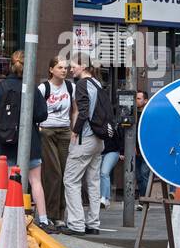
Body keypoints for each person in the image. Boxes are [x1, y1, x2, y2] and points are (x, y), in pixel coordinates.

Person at [0, 50, 52, 230]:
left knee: (8, 182)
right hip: (30, 141)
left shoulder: (0, 86)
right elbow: (42, 114)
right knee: (35, 181)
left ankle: (4, 218)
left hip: (7, 140)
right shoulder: (30, 87)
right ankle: (44, 219)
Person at [63, 53, 105, 235]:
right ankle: (93, 224)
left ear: (84, 66)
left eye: (74, 66)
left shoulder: (81, 85)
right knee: (93, 182)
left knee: (71, 180)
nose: (71, 69)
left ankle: (76, 224)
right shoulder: (97, 83)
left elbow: (83, 112)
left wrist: (75, 130)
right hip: (99, 139)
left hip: (85, 138)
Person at [38, 56, 73, 228]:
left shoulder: (70, 87)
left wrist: (73, 129)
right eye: (60, 67)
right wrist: (39, 127)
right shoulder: (43, 87)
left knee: (65, 174)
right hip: (47, 131)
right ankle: (51, 214)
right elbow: (34, 108)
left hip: (65, 131)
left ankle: (60, 214)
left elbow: (75, 110)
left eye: (65, 68)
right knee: (54, 173)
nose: (64, 70)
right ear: (51, 69)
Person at [99, 116, 125, 207]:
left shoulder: (111, 124)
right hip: (98, 151)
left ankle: (104, 198)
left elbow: (120, 138)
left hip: (113, 151)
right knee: (99, 174)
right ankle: (103, 198)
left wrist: (122, 151)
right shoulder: (93, 123)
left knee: (104, 172)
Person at [133, 89, 150, 207]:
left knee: (144, 174)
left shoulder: (149, 114)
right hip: (136, 149)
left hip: (147, 150)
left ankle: (144, 202)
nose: (136, 101)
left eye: (139, 98)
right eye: (136, 98)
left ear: (145, 100)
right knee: (138, 176)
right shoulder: (133, 114)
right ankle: (143, 199)